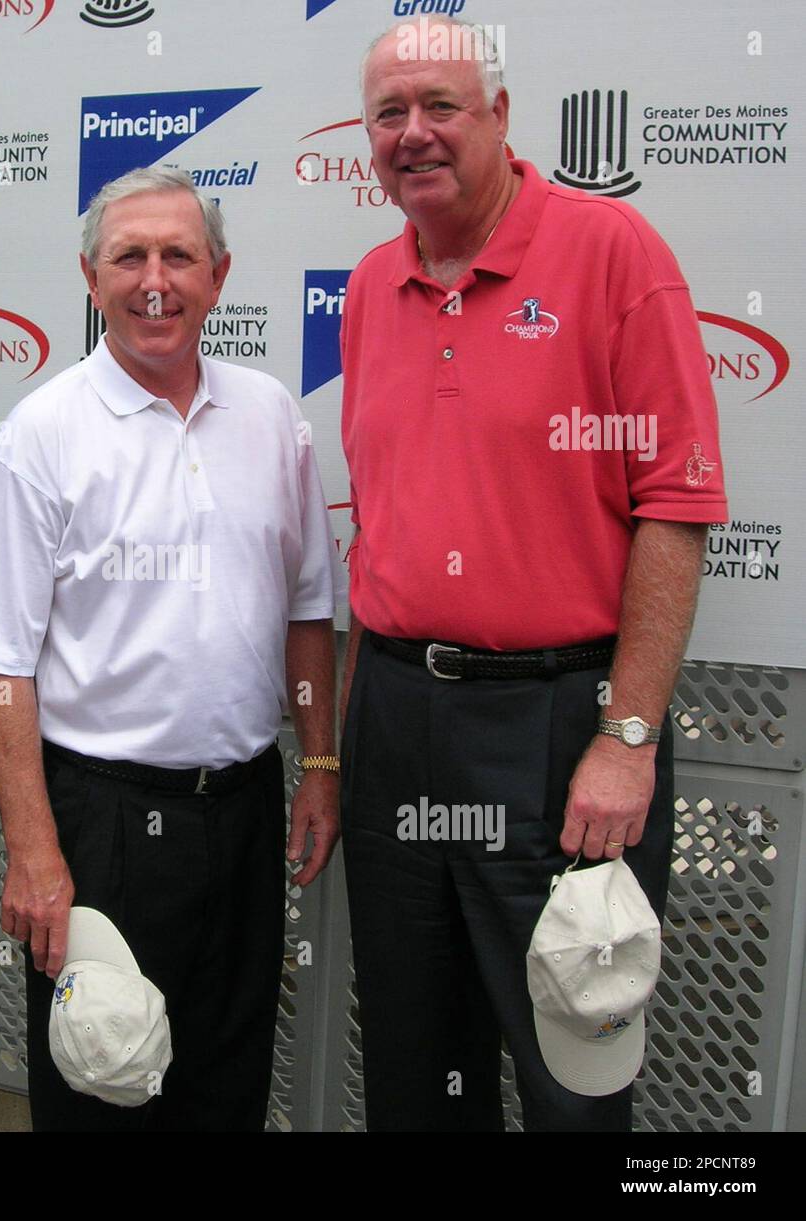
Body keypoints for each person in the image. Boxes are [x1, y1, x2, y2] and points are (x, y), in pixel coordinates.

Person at [338, 17, 727, 1131]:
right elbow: (385, 524)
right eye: (387, 115)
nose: (413, 135)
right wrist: (357, 727)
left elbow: (677, 502)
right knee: (415, 1071)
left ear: (500, 117)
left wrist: (629, 736)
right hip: (400, 724)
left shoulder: (612, 254)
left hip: (561, 732)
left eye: (440, 107)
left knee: (574, 1086)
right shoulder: (372, 286)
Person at [0, 167, 338, 1131]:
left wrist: (319, 766)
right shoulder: (42, 432)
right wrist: (34, 851)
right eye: (129, 256)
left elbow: (310, 615)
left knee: (225, 1083)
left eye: (178, 255)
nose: (153, 279)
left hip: (242, 812)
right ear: (90, 277)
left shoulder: (272, 417)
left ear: (220, 273)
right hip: (101, 824)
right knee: (101, 1089)